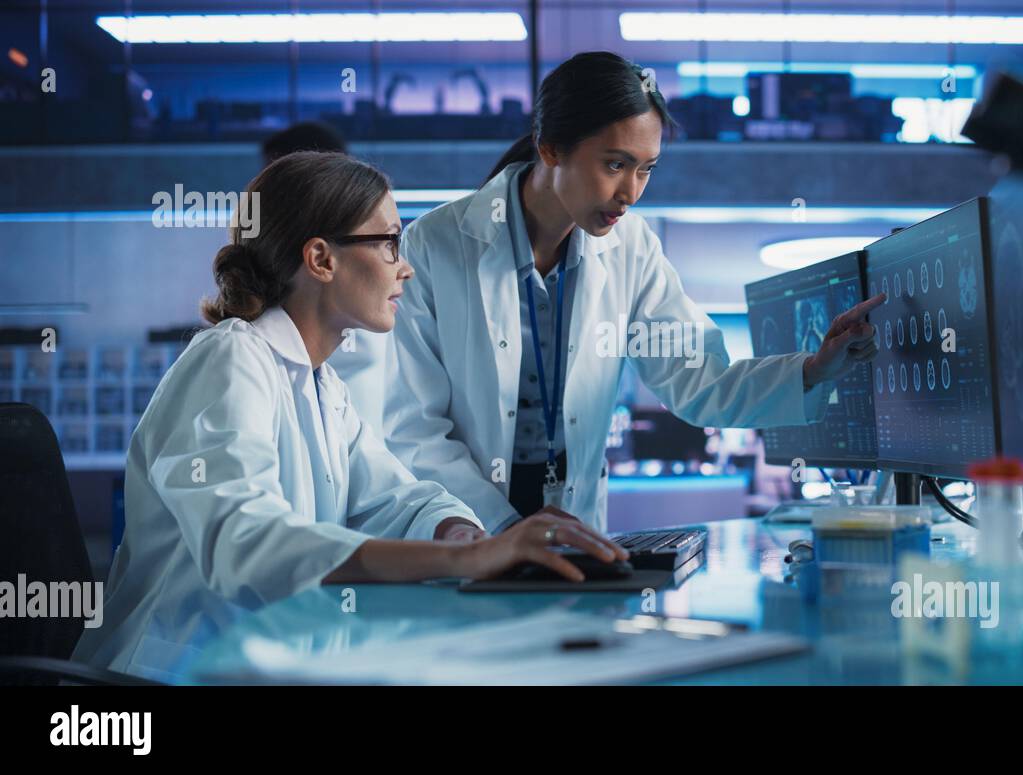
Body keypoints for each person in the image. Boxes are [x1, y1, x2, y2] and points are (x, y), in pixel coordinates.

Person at [73, 151, 626, 681]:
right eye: (389, 242)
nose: (405, 268)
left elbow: (397, 498)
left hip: (259, 667)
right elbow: (245, 544)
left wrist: (459, 533)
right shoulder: (231, 357)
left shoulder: (322, 385)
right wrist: (470, 559)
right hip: (161, 679)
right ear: (320, 259)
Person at [384, 52, 883, 534]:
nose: (631, 193)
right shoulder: (435, 244)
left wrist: (814, 370)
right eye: (615, 165)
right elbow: (415, 427)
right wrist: (501, 526)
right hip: (466, 526)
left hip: (573, 531)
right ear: (550, 147)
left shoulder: (631, 248)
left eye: (646, 168)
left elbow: (698, 380)